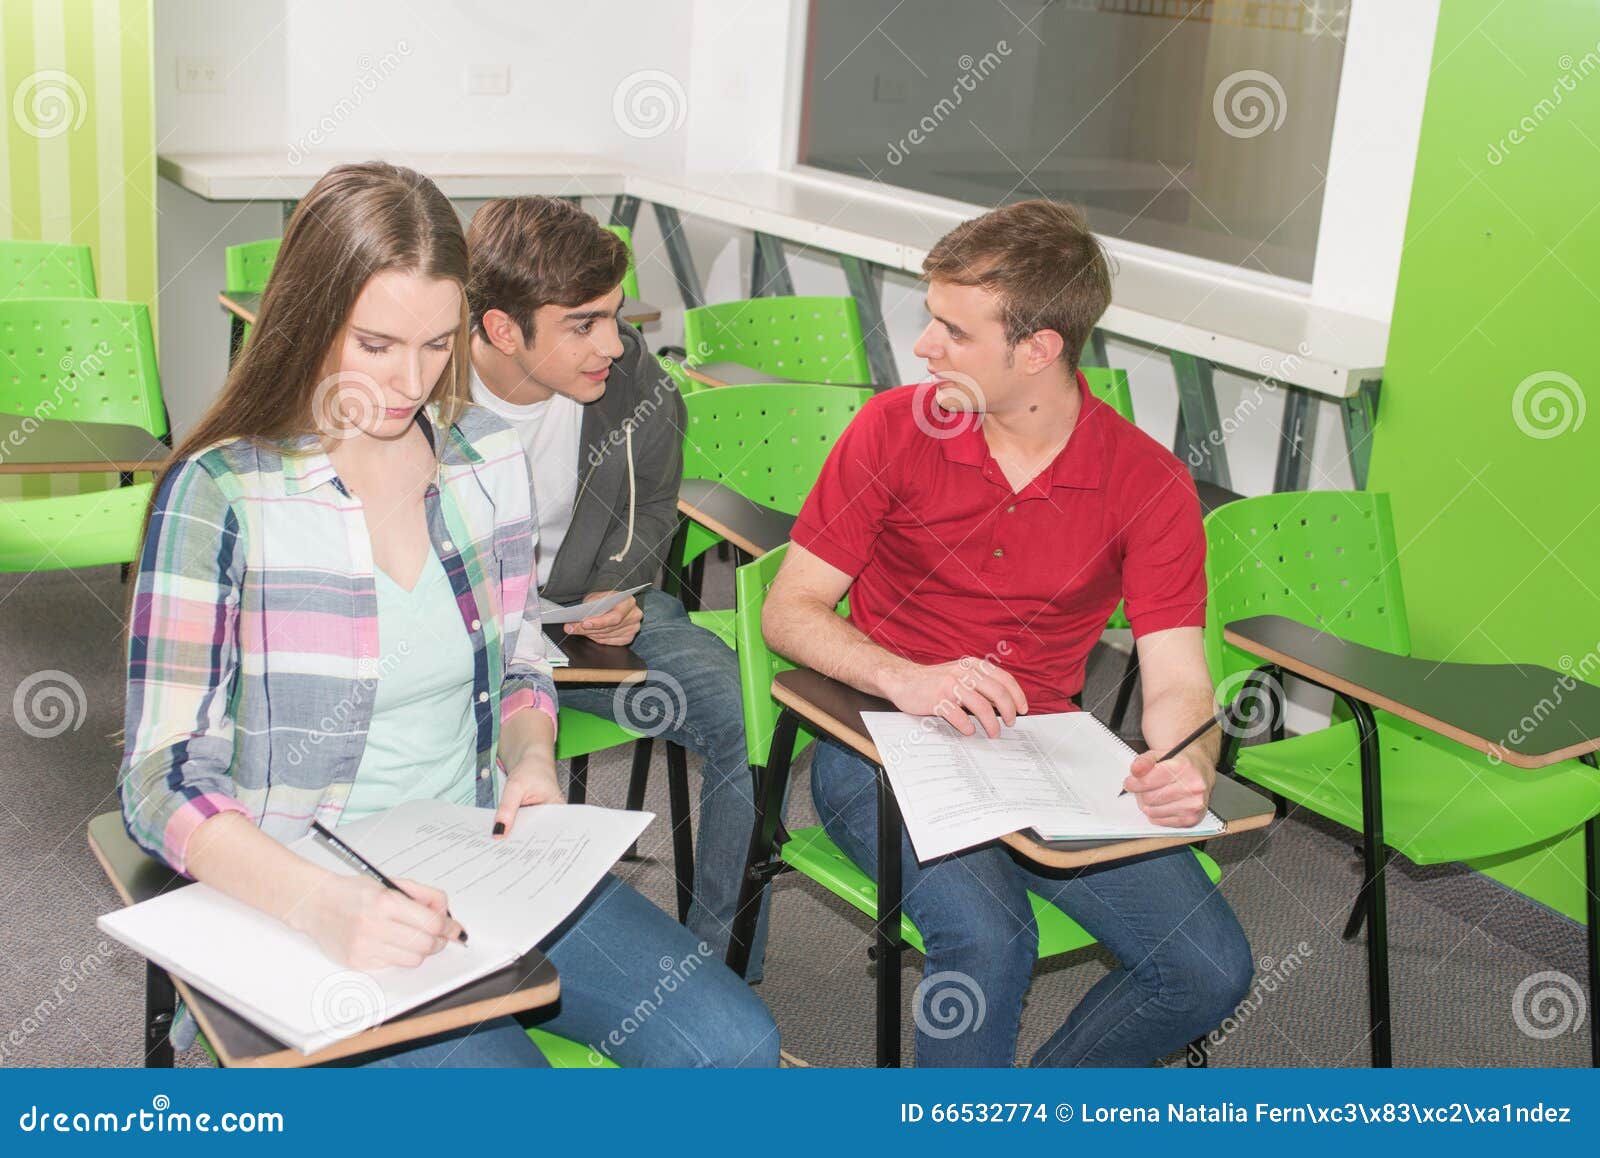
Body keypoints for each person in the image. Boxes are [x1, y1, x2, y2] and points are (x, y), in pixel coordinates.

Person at [118, 162, 777, 1068]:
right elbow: (161, 782)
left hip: (473, 857)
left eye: (437, 346)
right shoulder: (223, 493)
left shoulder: (482, 457)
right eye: (377, 344)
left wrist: (534, 760)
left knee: (737, 1047)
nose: (413, 380)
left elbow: (519, 663)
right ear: (308, 319)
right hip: (300, 886)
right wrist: (319, 903)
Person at [761, 198, 1253, 1067]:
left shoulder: (1149, 481)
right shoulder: (896, 428)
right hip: (876, 742)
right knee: (989, 944)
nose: (924, 347)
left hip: (1042, 759)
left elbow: (1176, 681)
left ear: (1038, 350)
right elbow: (788, 610)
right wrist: (906, 677)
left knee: (1208, 968)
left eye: (953, 330)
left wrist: (1190, 763)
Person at [464, 196, 771, 972]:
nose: (615, 342)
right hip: (473, 636)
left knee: (746, 716)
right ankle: (473, 958)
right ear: (503, 329)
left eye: (614, 314)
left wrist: (618, 592)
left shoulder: (636, 377)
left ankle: (717, 966)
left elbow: (654, 508)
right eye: (583, 323)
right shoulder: (428, 396)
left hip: (596, 616)